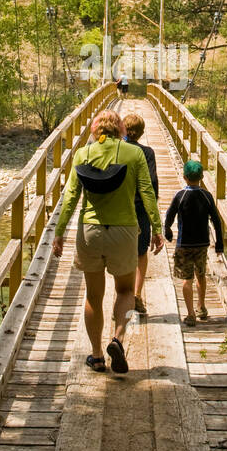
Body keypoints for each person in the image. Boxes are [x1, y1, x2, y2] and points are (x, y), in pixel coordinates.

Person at [52, 109, 163, 373]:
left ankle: (97, 355)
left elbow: (69, 198)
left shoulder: (82, 154)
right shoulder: (135, 154)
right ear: (121, 129)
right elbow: (147, 192)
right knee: (125, 291)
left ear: (94, 129)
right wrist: (157, 228)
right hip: (124, 231)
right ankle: (118, 338)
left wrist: (59, 232)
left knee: (93, 296)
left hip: (90, 232)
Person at [164, 159, 224, 327]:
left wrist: (167, 232)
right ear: (201, 177)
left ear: (184, 177)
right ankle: (202, 306)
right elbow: (216, 221)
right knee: (201, 274)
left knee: (186, 279)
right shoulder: (207, 196)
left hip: (184, 243)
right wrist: (219, 244)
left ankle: (190, 314)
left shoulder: (180, 195)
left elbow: (169, 216)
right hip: (202, 243)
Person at [123, 112, 159, 317]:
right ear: (143, 132)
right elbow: (152, 183)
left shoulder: (118, 150)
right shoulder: (148, 153)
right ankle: (136, 294)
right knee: (140, 252)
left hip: (121, 207)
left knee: (122, 252)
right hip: (141, 208)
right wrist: (156, 221)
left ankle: (124, 296)